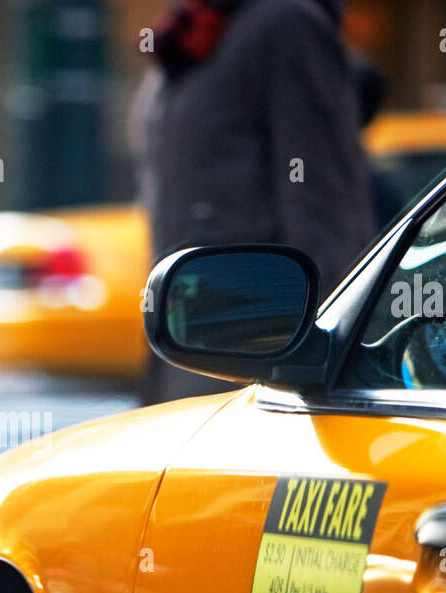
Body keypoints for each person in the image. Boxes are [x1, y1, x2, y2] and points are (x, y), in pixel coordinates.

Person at [136, 0, 374, 404]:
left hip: (259, 363)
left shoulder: (286, 24)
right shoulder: (188, 33)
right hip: (192, 348)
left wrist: (321, 360)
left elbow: (325, 203)